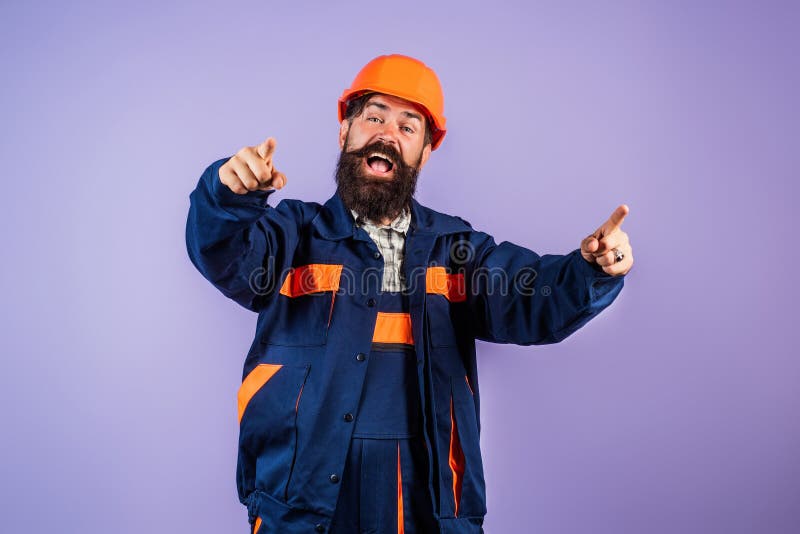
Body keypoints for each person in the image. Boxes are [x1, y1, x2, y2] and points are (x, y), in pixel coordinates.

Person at [185, 54, 633, 534]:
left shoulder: (457, 250)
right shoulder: (292, 233)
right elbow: (225, 251)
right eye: (374, 117)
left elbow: (532, 297)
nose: (387, 135)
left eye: (408, 127)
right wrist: (227, 196)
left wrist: (591, 269)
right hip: (299, 503)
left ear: (424, 154)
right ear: (345, 132)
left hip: (429, 506)